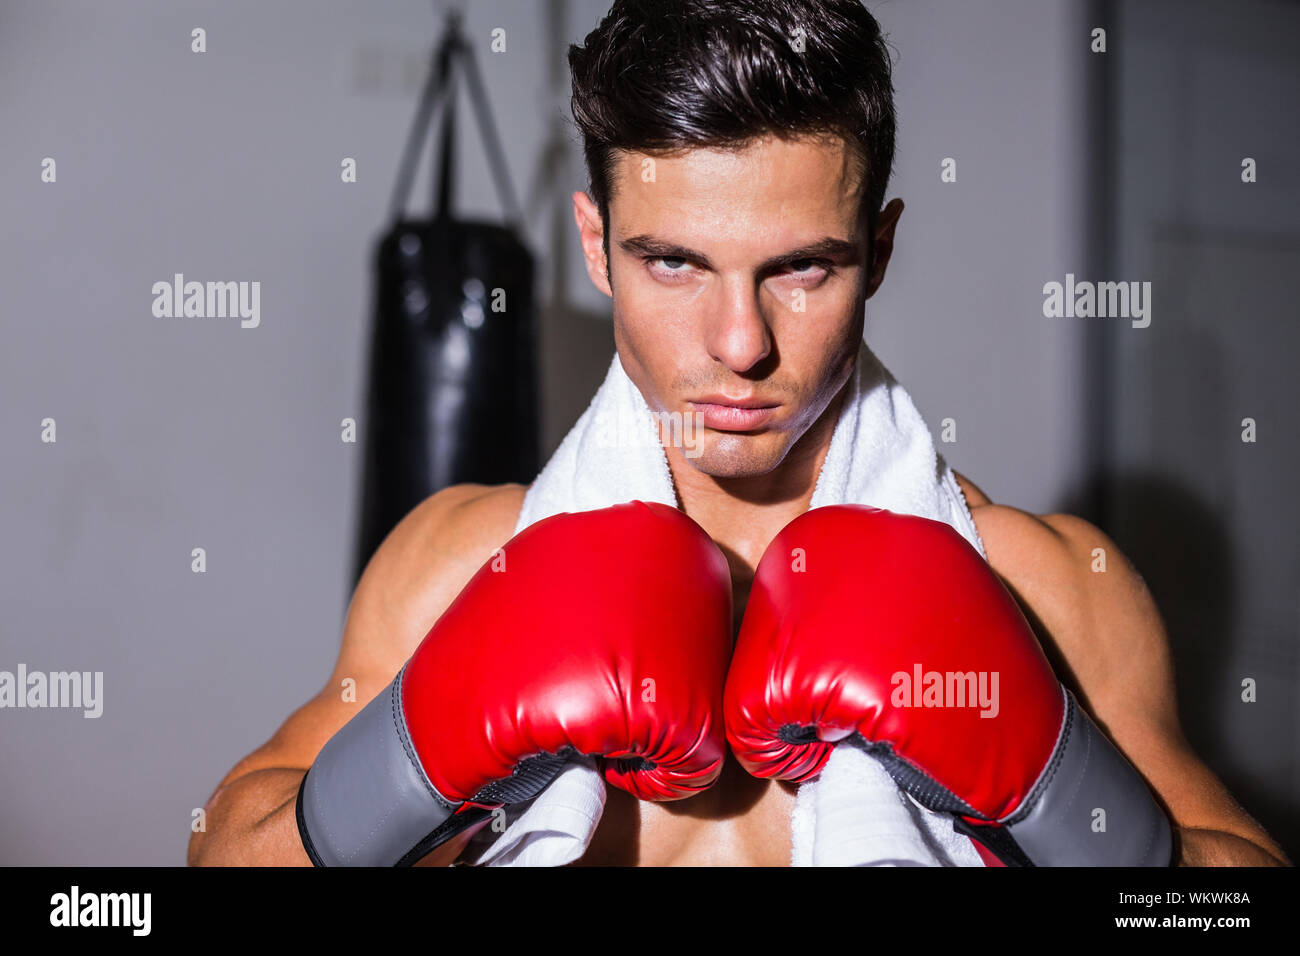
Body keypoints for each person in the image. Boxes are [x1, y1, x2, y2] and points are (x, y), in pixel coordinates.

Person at [187, 0, 1289, 867]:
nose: (739, 342)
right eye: (673, 261)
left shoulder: (1048, 588)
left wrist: (1056, 797)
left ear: (881, 248)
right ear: (593, 242)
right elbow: (223, 851)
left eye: (802, 266)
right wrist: (414, 770)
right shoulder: (456, 563)